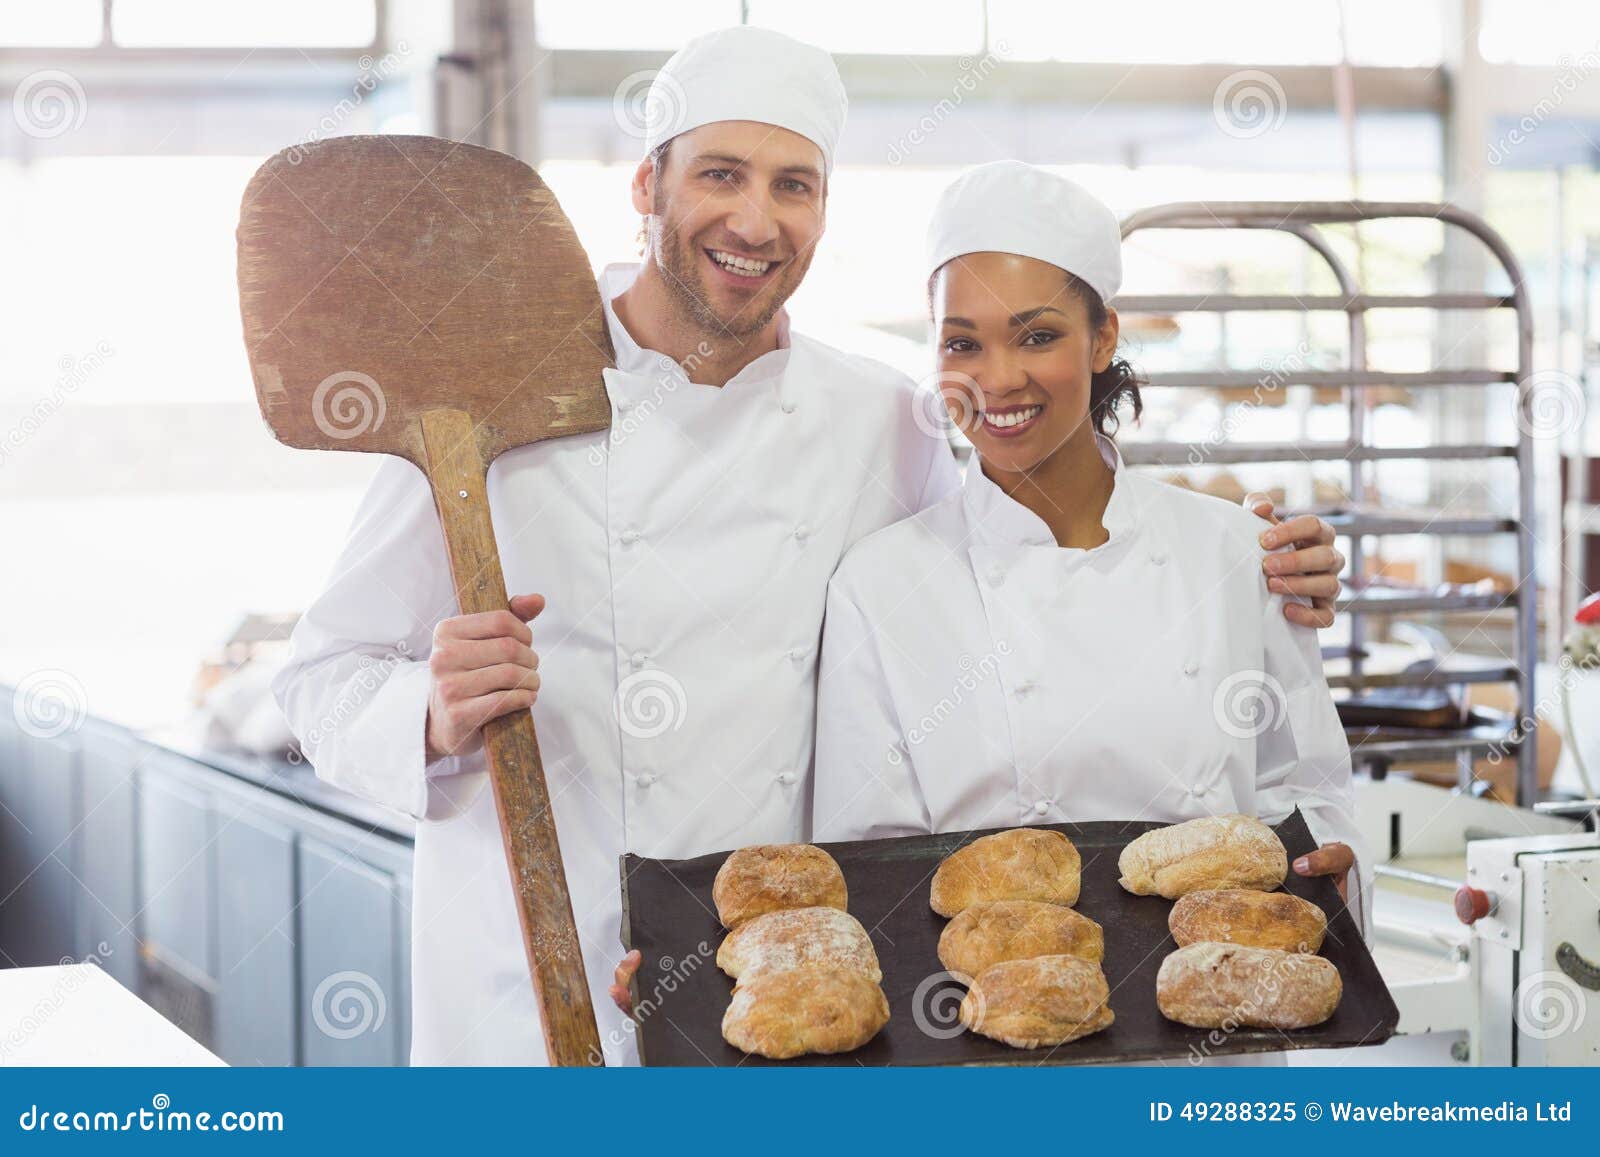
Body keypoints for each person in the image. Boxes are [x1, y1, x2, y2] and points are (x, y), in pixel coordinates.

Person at [274, 28, 1347, 1066]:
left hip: (780, 990)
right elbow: (320, 681)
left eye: (795, 184)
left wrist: (1259, 558)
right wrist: (429, 705)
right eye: (721, 175)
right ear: (648, 186)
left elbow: (1029, 546)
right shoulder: (490, 404)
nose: (756, 218)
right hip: (529, 987)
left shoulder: (884, 419)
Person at [812, 161, 1371, 948]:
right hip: (989, 1027)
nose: (999, 378)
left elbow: (1312, 793)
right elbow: (871, 872)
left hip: (1222, 1013)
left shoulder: (1236, 553)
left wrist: (1340, 877)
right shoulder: (882, 587)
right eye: (962, 342)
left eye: (1037, 336)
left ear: (1104, 335)